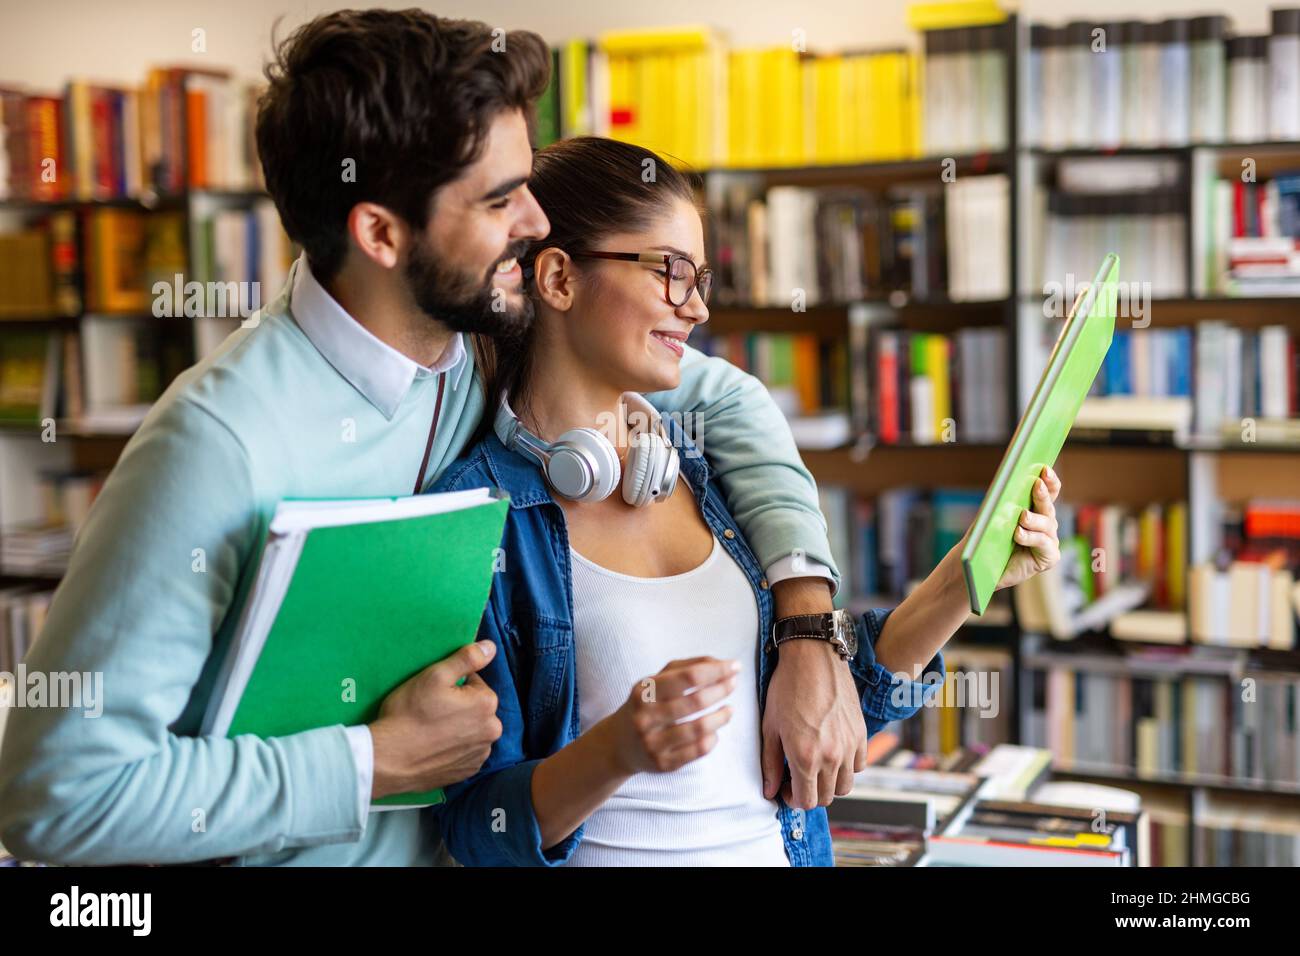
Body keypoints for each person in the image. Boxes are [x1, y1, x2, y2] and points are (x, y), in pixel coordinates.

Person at [0, 11, 864, 866]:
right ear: (380, 233)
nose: (535, 223)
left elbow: (732, 404)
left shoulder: (487, 340)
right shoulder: (215, 446)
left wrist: (806, 628)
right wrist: (370, 761)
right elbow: (59, 795)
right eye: (499, 200)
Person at [431, 136, 1063, 866]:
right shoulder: (472, 518)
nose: (696, 306)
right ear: (560, 278)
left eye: (700, 277)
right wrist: (613, 752)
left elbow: (825, 709)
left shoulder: (707, 469)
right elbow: (479, 828)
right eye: (669, 272)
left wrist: (966, 573)